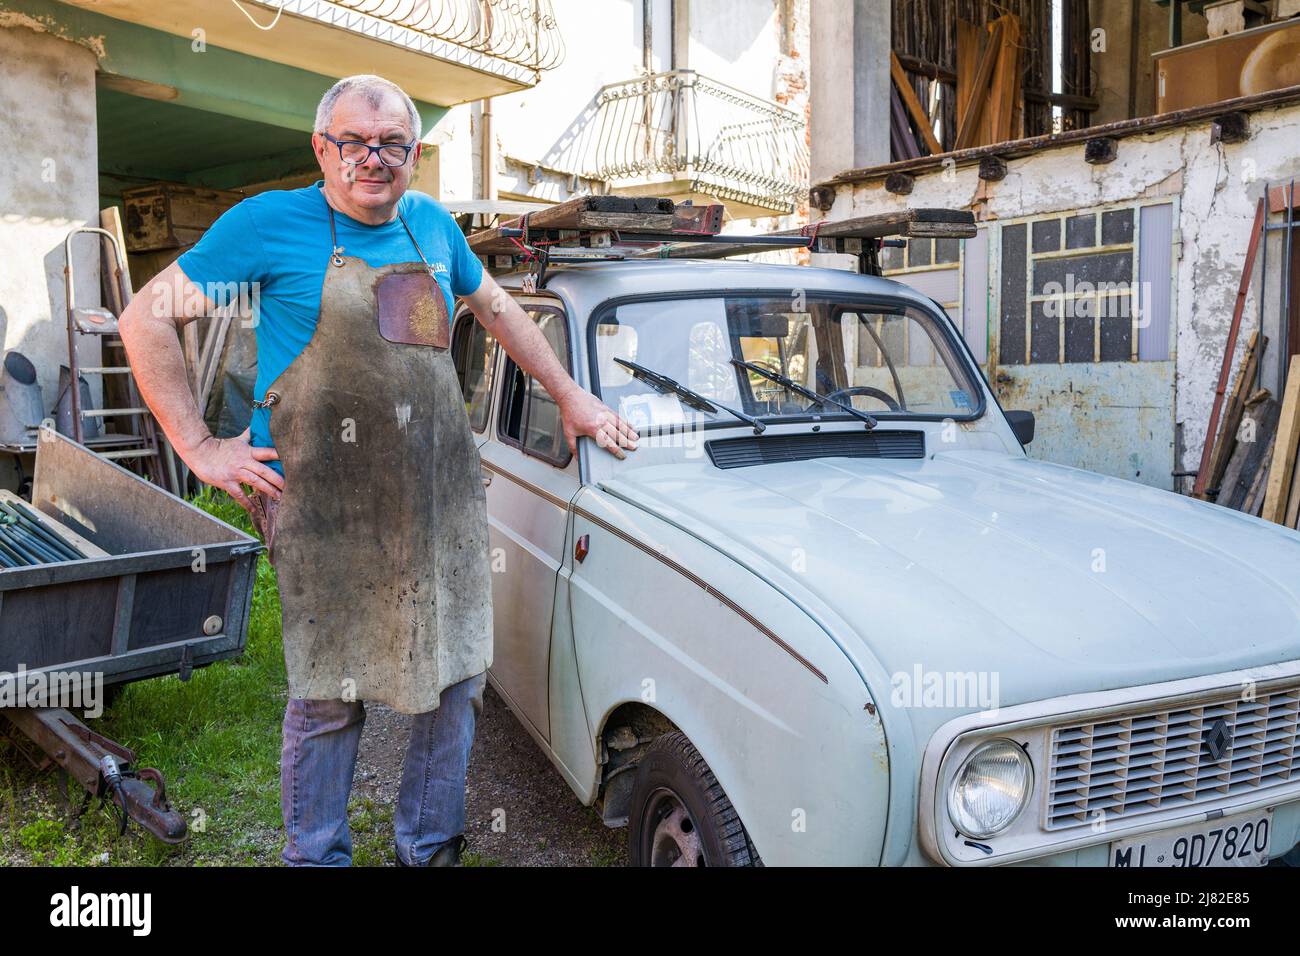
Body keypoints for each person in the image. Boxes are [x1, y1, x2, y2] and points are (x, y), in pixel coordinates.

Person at [119, 74, 638, 866]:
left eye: (391, 143)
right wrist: (198, 446)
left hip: (436, 494)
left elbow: (496, 308)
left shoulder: (433, 225)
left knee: (454, 678)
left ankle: (427, 850)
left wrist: (569, 396)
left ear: (414, 153)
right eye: (353, 142)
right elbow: (145, 317)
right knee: (334, 692)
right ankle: (316, 855)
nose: (373, 158)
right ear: (321, 148)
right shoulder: (267, 224)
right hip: (326, 501)